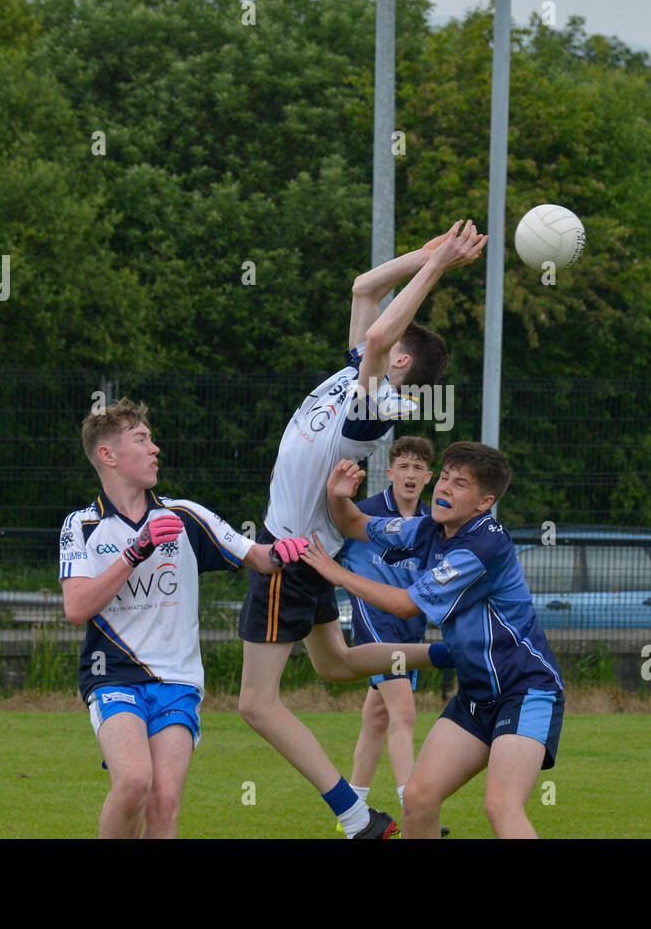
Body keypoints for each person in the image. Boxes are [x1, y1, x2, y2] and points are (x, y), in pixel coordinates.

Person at [237, 219, 487, 839]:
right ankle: (455, 652)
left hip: (288, 552)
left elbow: (377, 330)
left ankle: (356, 819)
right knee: (339, 665)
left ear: (401, 359)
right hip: (313, 550)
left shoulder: (376, 402)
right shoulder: (357, 375)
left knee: (256, 705)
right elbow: (363, 289)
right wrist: (427, 255)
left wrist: (432, 272)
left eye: (393, 343)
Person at [58, 398, 311, 839]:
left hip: (178, 680)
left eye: (152, 438)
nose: (155, 448)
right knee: (134, 781)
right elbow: (77, 608)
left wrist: (284, 550)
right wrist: (135, 552)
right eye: (141, 439)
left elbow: (258, 556)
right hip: (112, 676)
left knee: (165, 801)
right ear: (108, 455)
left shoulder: (185, 516)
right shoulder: (81, 525)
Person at [301, 442, 566, 839]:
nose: (444, 486)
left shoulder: (483, 545)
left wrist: (337, 575)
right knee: (420, 799)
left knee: (501, 804)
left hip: (526, 691)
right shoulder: (430, 529)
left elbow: (406, 605)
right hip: (476, 696)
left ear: (484, 502)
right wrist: (338, 496)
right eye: (444, 476)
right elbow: (356, 524)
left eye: (461, 483)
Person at [337, 436, 436, 825]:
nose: (410, 474)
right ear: (390, 472)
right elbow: (330, 543)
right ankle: (413, 813)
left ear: (428, 477)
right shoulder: (363, 513)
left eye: (418, 468)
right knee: (404, 713)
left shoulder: (431, 524)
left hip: (410, 626)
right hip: (375, 622)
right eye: (404, 466)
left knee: (377, 718)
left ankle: (354, 814)